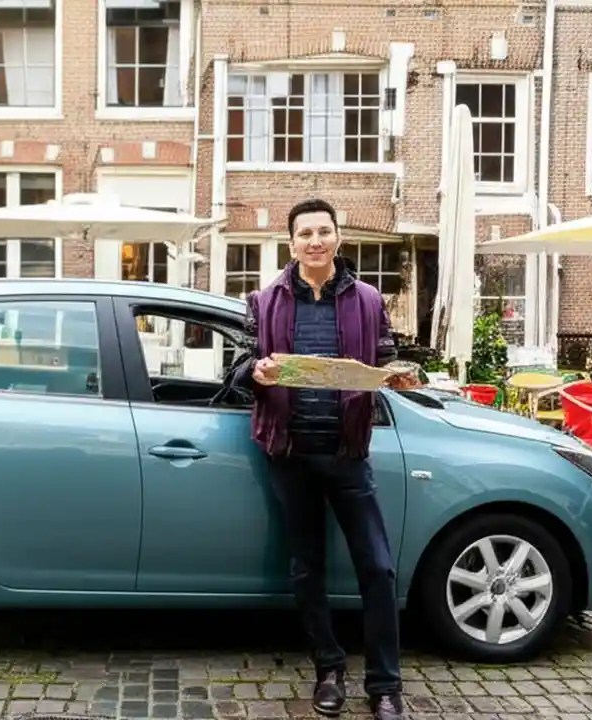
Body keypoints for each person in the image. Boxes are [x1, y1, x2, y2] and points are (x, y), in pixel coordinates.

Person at [228, 198, 405, 720]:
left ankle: (385, 687)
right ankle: (328, 669)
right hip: (290, 453)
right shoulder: (264, 300)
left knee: (377, 568)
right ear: (291, 244)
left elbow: (388, 354)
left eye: (323, 232)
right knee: (308, 568)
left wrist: (397, 373)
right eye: (305, 233)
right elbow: (236, 363)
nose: (315, 241)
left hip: (348, 453)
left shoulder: (370, 300)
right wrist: (252, 371)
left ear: (338, 239)